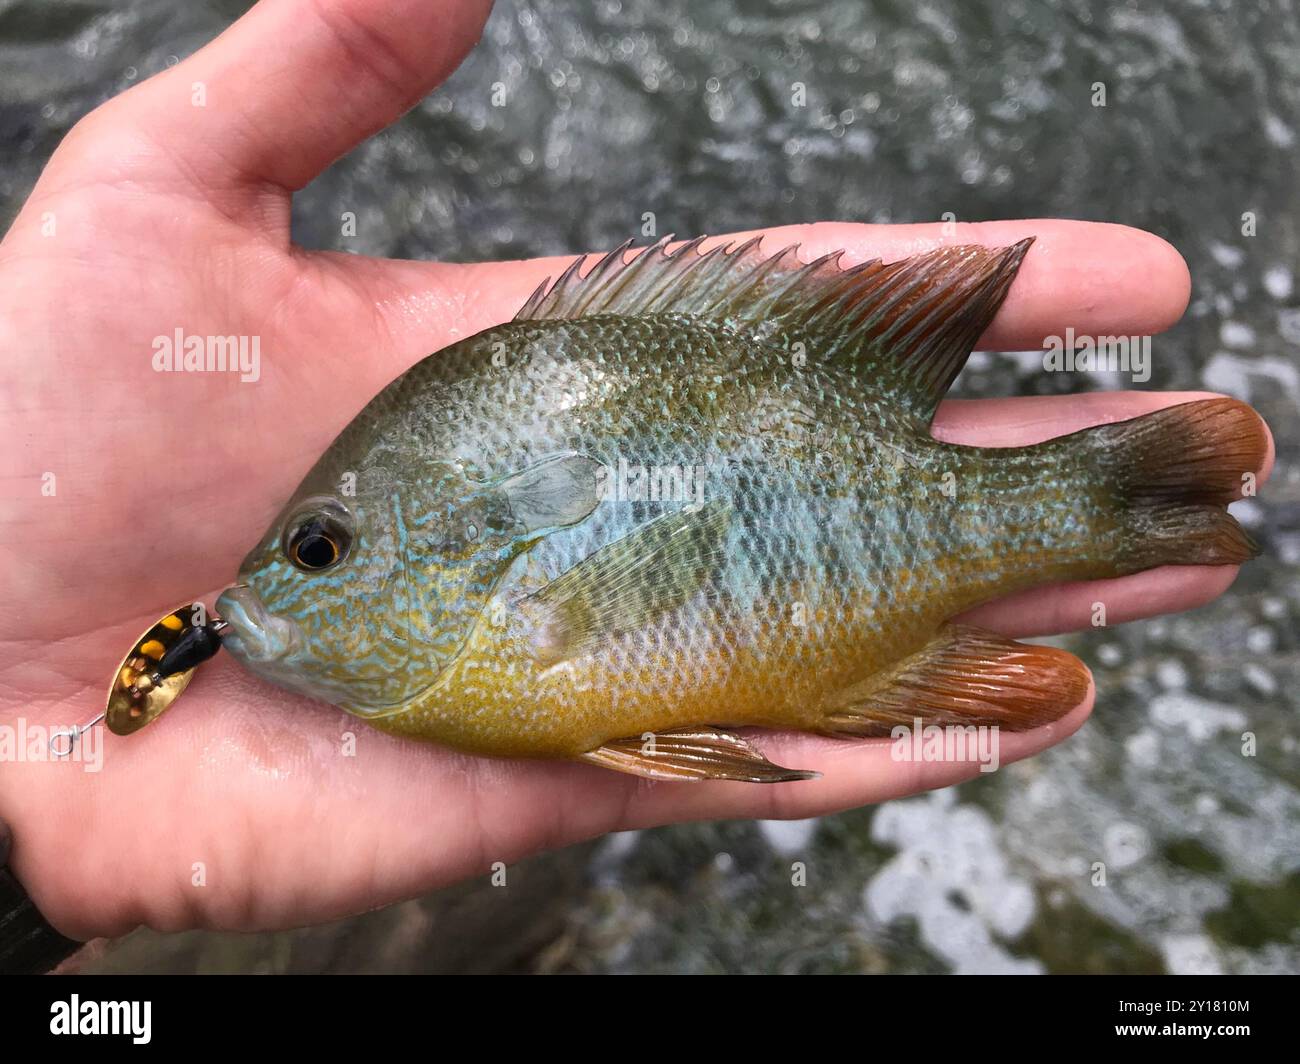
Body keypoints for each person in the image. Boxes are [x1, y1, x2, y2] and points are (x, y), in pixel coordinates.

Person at [0, 0, 1273, 954]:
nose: (266, 590)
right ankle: (1121, 506)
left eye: (321, 547)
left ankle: (1109, 497)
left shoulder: (483, 627)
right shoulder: (441, 640)